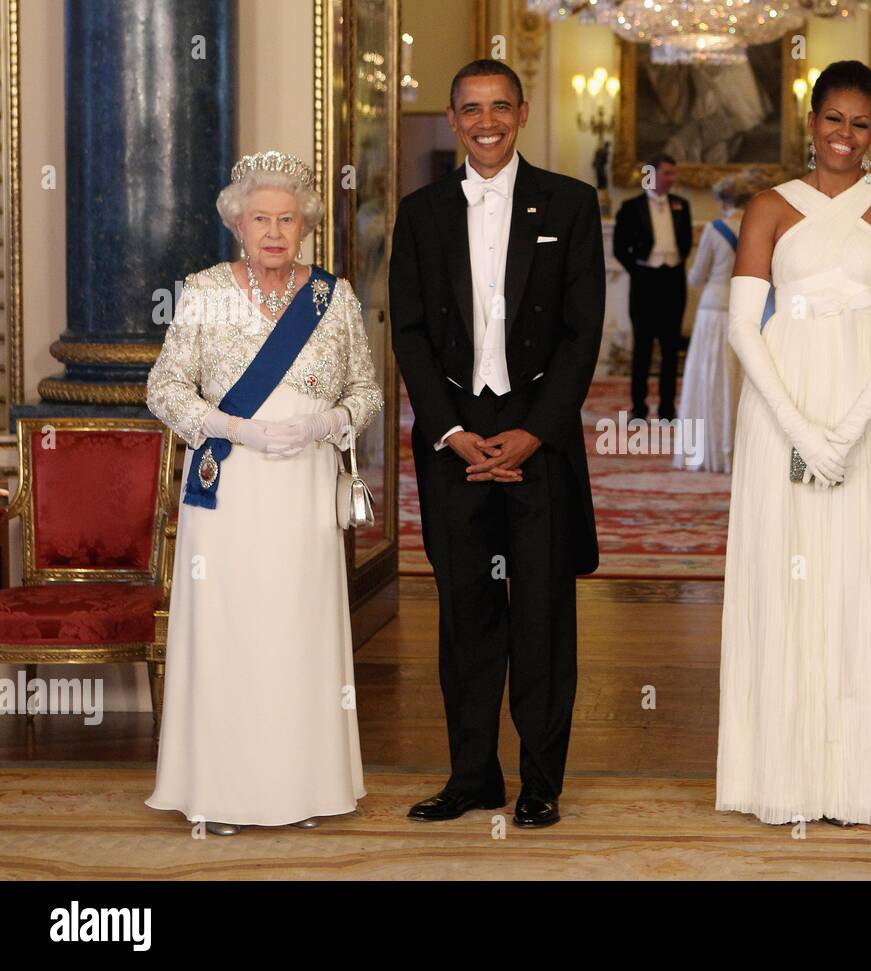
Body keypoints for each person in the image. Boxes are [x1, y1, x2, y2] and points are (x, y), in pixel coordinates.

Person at [716, 61, 871, 825]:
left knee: (859, 576)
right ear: (811, 123)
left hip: (868, 412)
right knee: (787, 580)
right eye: (833, 119)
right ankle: (782, 774)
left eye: (861, 122)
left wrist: (846, 432)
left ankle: (864, 780)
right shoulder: (769, 206)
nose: (846, 135)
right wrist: (804, 431)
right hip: (781, 411)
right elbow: (744, 325)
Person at [389, 60, 604, 829]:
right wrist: (452, 432)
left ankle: (539, 782)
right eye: (472, 109)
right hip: (455, 442)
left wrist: (532, 432)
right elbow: (408, 332)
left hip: (538, 440)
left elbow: (584, 334)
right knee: (466, 616)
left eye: (501, 107)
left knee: (543, 616)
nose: (487, 121)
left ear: (522, 111)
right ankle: (471, 775)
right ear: (452, 118)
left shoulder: (572, 205)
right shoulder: (418, 214)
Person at [145, 150, 382, 835]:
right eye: (260, 219)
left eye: (287, 218)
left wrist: (327, 421)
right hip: (229, 486)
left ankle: (304, 787)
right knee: (230, 633)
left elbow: (365, 390)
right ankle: (220, 792)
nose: (274, 231)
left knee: (296, 631)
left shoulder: (331, 298)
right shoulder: (204, 290)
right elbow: (164, 388)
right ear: (237, 224)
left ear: (304, 225)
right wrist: (227, 425)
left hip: (303, 484)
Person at [673, 169, 765, 473]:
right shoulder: (758, 227)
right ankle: (740, 448)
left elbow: (696, 276)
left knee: (710, 377)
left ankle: (707, 448)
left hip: (714, 309)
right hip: (747, 307)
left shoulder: (714, 229)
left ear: (723, 200)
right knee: (741, 378)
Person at [613, 152, 693, 421]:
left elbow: (686, 241)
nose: (672, 178)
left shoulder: (681, 205)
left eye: (673, 173)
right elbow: (619, 248)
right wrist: (639, 270)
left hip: (673, 283)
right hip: (645, 283)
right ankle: (639, 408)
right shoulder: (631, 207)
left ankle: (668, 409)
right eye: (667, 173)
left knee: (670, 349)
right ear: (652, 174)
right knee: (643, 349)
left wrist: (674, 262)